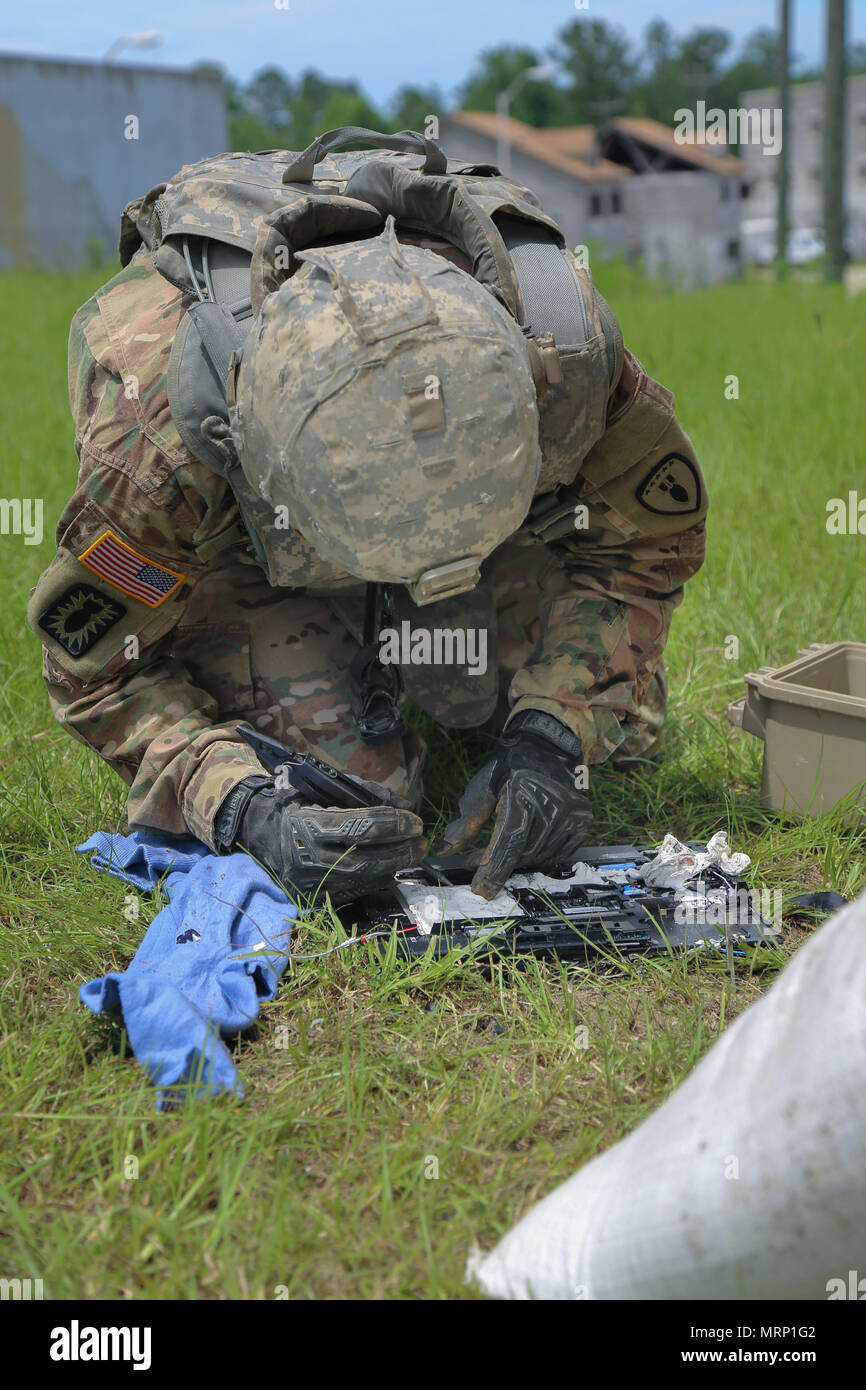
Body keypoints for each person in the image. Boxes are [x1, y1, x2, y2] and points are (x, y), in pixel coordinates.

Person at [27, 130, 708, 906]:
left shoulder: (569, 353)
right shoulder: (167, 440)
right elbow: (98, 669)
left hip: (485, 539)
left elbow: (645, 548)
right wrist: (243, 806)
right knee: (357, 799)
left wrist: (554, 737)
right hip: (259, 550)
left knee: (616, 732)